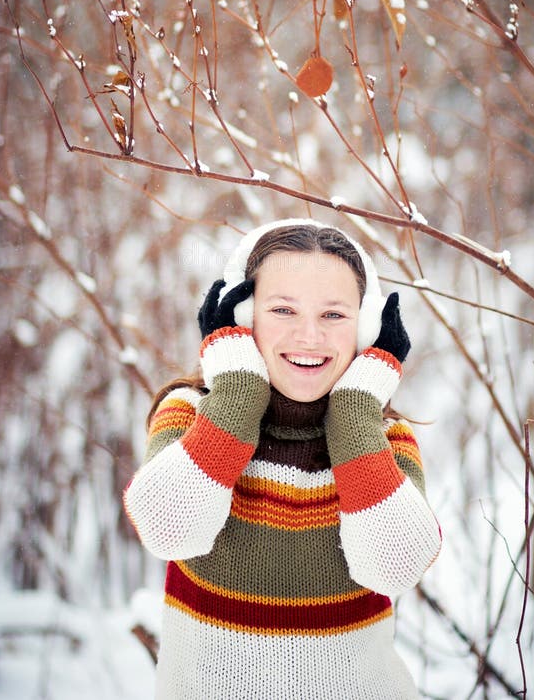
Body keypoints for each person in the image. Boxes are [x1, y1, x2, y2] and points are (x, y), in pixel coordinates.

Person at [124, 218, 441, 700]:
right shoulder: (193, 415)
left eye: (334, 315)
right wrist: (237, 396)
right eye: (283, 309)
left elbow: (394, 568)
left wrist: (353, 419)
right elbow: (169, 529)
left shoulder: (381, 440)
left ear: (368, 328)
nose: (309, 336)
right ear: (241, 317)